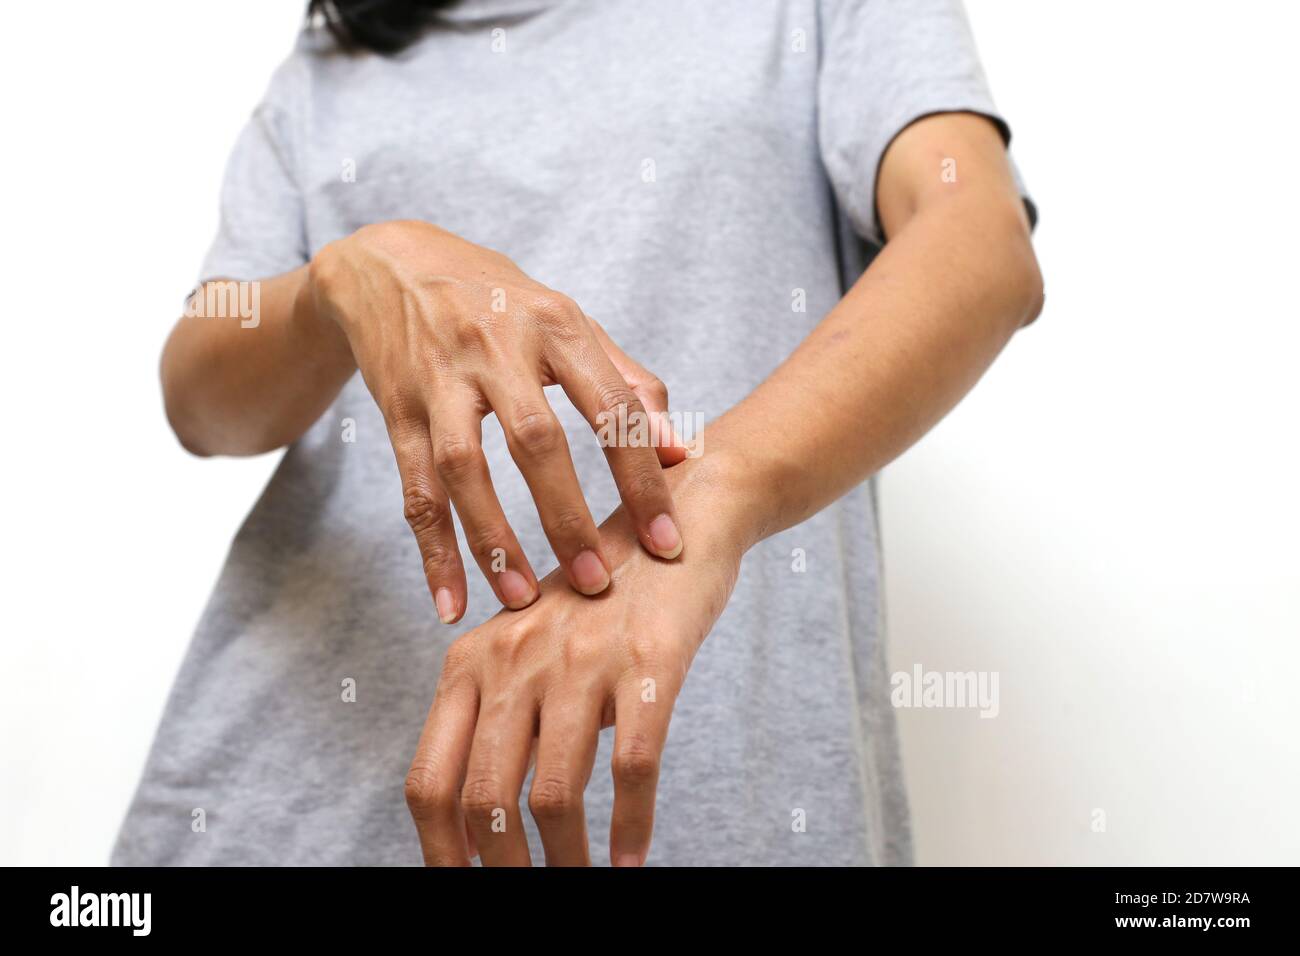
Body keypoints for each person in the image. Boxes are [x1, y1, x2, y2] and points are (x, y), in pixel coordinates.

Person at [113, 0, 1041, 866]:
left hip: (720, 803)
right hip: (281, 800)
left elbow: (978, 240)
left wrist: (705, 501)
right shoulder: (328, 65)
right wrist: (343, 280)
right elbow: (200, 400)